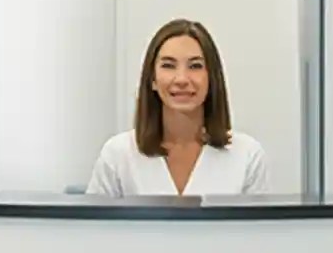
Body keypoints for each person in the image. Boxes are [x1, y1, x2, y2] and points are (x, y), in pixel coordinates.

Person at [86, 18, 269, 197]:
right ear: (153, 79)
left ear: (211, 79)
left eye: (195, 66)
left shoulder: (247, 156)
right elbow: (92, 218)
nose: (182, 79)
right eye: (168, 65)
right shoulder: (117, 155)